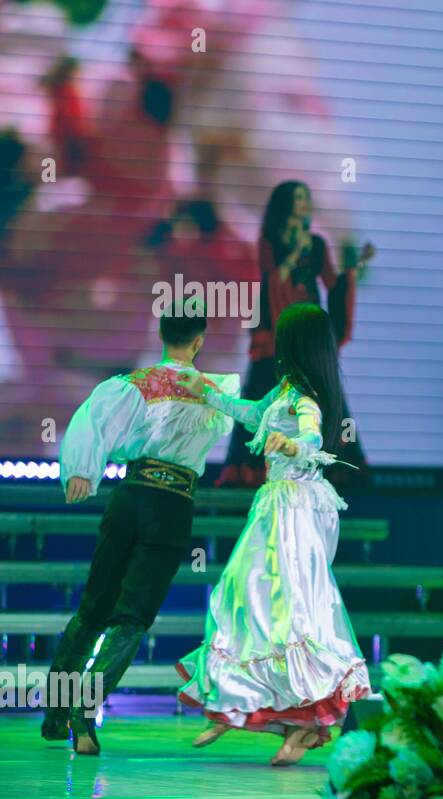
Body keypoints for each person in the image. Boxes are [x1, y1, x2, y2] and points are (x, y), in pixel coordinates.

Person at [174, 303, 370, 766]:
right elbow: (251, 413)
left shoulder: (307, 397)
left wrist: (294, 445)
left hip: (296, 507)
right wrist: (205, 391)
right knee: (242, 596)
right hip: (277, 504)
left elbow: (313, 439)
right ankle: (236, 701)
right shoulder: (285, 389)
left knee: (290, 608)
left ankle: (301, 722)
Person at [44, 301, 239, 754]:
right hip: (171, 505)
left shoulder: (132, 384)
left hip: (130, 496)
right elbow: (241, 417)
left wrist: (82, 470)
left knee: (94, 608)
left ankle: (58, 714)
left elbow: (92, 419)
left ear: (161, 336)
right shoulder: (215, 391)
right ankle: (82, 714)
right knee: (130, 618)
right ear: (199, 341)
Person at [220, 180, 373, 487]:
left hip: (309, 326)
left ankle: (333, 463)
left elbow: (331, 283)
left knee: (327, 394)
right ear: (286, 203)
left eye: (306, 197)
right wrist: (293, 253)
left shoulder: (316, 244)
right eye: (298, 197)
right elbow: (273, 277)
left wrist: (353, 269)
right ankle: (250, 468)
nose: (304, 202)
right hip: (276, 326)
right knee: (263, 392)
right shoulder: (270, 240)